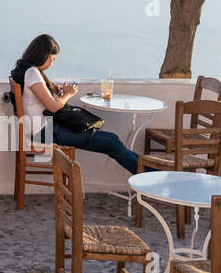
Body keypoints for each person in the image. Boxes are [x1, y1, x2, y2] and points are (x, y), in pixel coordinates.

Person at [11, 34, 139, 174]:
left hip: (41, 129)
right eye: (52, 59)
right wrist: (68, 95)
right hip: (45, 132)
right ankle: (148, 175)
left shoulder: (23, 70)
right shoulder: (32, 73)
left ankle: (149, 169)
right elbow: (53, 106)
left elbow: (42, 99)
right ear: (44, 55)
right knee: (112, 141)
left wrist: (58, 93)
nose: (52, 64)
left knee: (111, 140)